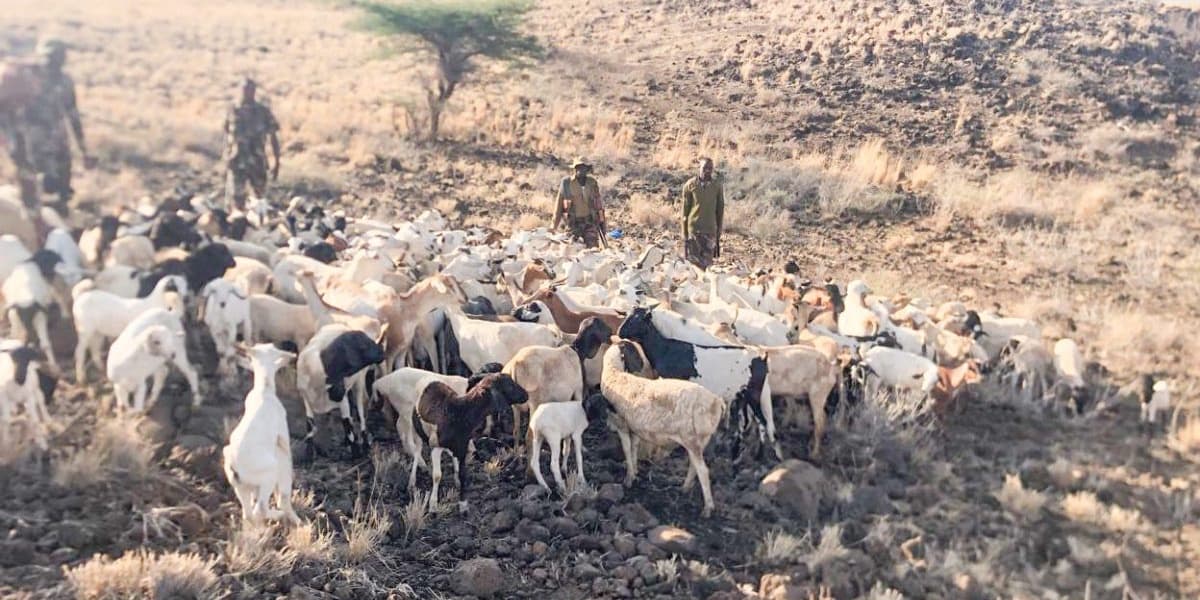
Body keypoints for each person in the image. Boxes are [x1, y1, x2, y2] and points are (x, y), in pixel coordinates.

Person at [20, 38, 93, 211]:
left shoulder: (65, 81)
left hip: (60, 141)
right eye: (51, 57)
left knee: (63, 187)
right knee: (44, 184)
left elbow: (73, 114)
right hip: (37, 141)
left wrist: (83, 149)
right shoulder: (31, 79)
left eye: (58, 56)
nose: (54, 61)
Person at [224, 78, 280, 211]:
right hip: (236, 162)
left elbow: (273, 136)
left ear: (255, 91)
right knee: (236, 202)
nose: (248, 92)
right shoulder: (232, 110)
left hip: (257, 162)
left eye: (251, 89)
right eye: (245, 89)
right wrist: (226, 156)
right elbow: (227, 135)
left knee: (259, 202)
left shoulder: (263, 112)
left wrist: (277, 161)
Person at [552, 157, 605, 248]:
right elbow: (559, 206)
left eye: (584, 168)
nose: (581, 170)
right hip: (573, 224)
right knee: (571, 250)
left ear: (587, 169)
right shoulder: (566, 183)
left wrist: (602, 224)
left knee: (593, 251)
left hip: (590, 223)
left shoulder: (592, 183)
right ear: (575, 168)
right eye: (579, 167)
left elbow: (598, 204)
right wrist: (553, 227)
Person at [681, 157, 724, 269]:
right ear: (699, 168)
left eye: (710, 168)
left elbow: (720, 210)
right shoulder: (690, 185)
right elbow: (685, 211)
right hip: (694, 230)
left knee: (707, 267)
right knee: (692, 267)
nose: (708, 170)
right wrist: (685, 235)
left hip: (710, 231)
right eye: (705, 168)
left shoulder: (717, 186)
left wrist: (718, 234)